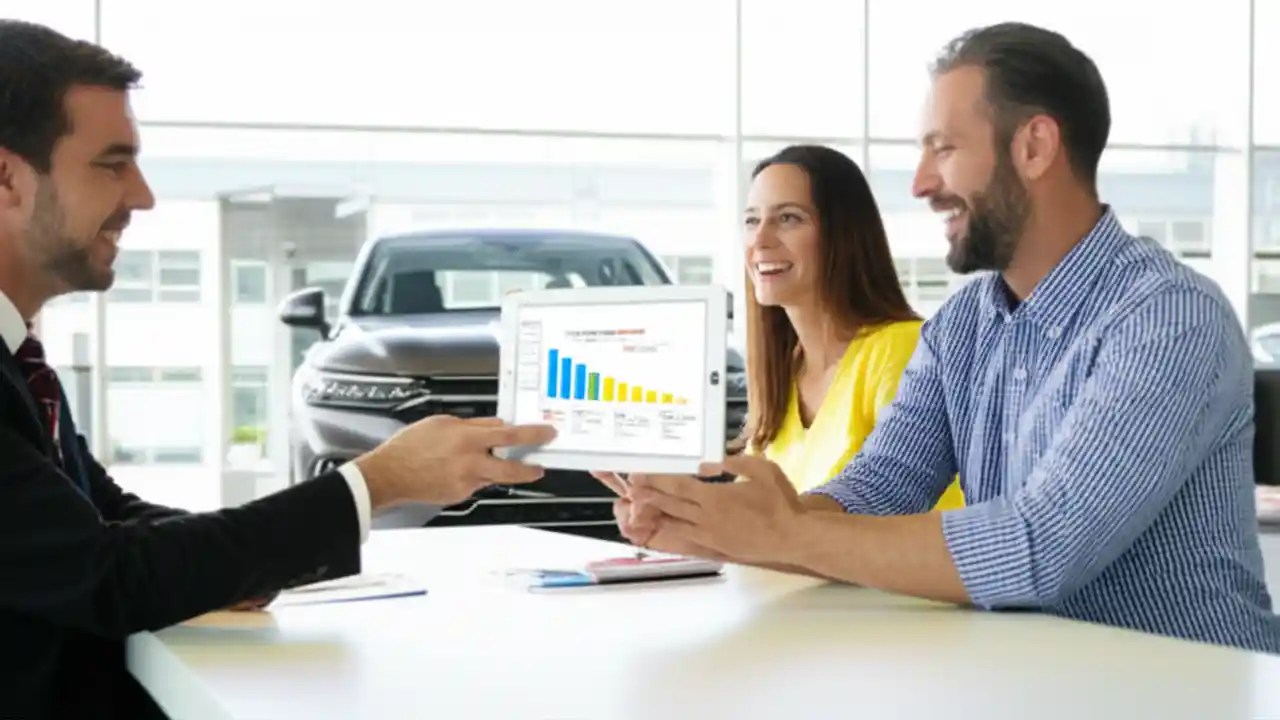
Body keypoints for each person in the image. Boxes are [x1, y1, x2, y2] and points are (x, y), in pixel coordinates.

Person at [602, 22, 1280, 654]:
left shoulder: (1168, 319)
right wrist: (721, 522)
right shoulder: (963, 326)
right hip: (1029, 677)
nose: (923, 183)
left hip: (1189, 688)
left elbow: (1039, 547)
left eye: (944, 149)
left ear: (1035, 147)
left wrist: (783, 529)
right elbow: (875, 491)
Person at [0, 21, 555, 718]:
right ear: (7, 177)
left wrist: (236, 567)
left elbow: (108, 519)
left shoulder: (18, 357)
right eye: (112, 164)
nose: (142, 196)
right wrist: (379, 481)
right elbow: (105, 574)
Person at [734, 144, 962, 508]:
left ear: (842, 235)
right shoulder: (783, 372)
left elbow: (908, 514)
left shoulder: (901, 350)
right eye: (751, 220)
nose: (760, 240)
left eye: (788, 218)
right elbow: (744, 518)